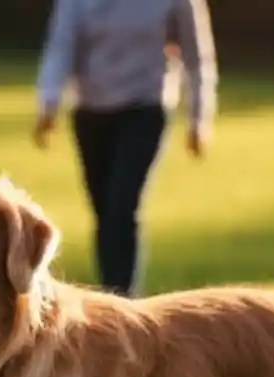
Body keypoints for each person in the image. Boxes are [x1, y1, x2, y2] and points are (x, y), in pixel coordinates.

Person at [34, 0, 217, 297]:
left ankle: (122, 297)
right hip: (90, 113)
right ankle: (110, 290)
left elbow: (197, 57)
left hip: (143, 110)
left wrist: (199, 118)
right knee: (104, 212)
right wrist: (49, 103)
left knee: (122, 208)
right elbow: (61, 47)